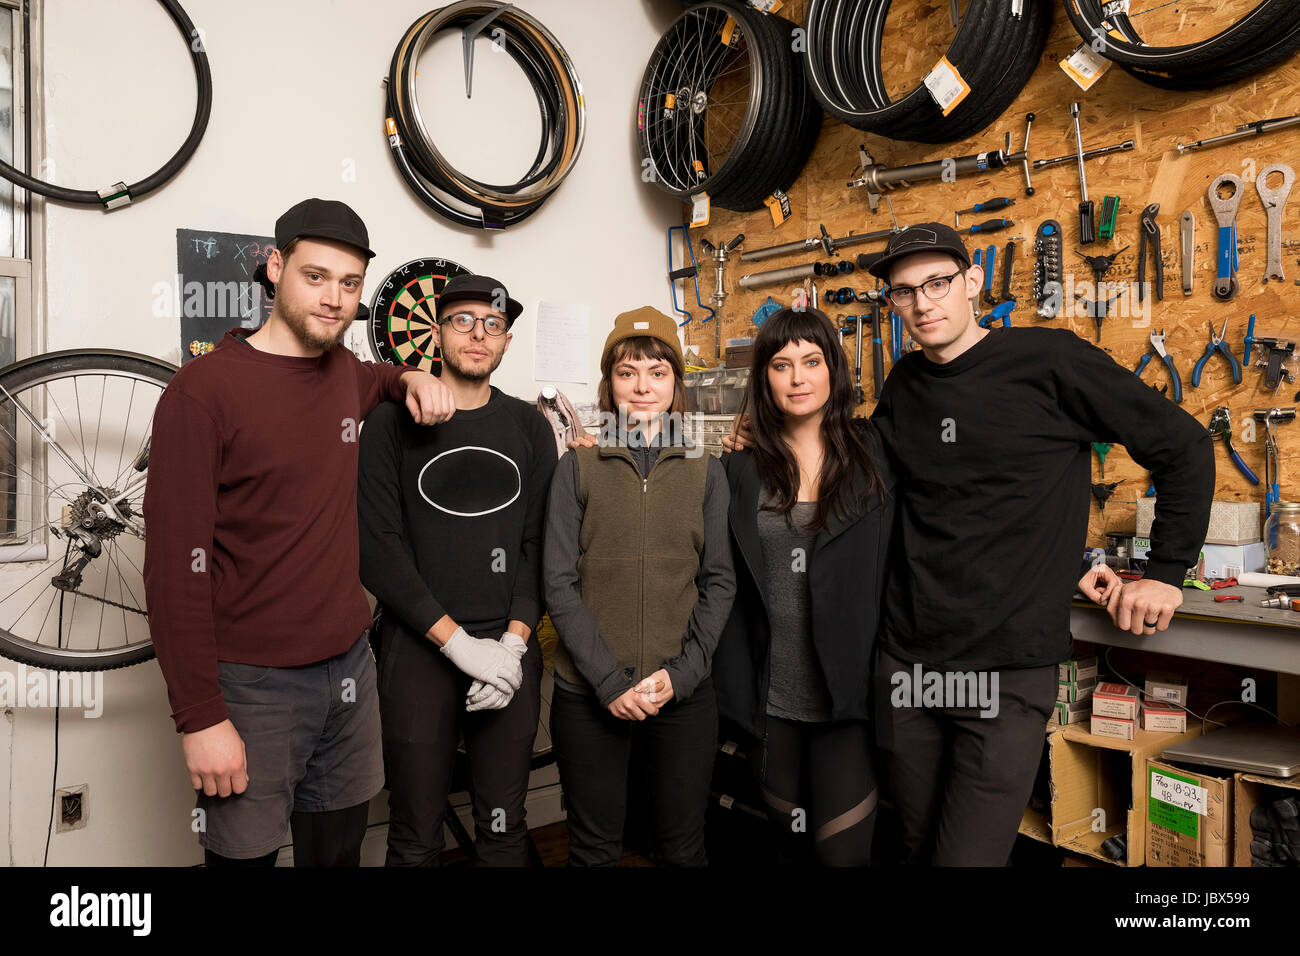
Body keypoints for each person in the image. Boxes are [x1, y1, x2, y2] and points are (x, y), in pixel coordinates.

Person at [727, 222, 1214, 865]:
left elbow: (1183, 446)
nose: (923, 303)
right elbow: (872, 477)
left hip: (1006, 668)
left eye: (937, 283)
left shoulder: (1051, 362)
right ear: (894, 306)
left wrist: (1164, 571)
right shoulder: (904, 386)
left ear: (974, 282)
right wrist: (760, 439)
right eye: (904, 293)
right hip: (907, 666)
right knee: (915, 842)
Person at [143, 198, 455, 867]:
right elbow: (173, 573)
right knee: (243, 861)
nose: (333, 298)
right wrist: (200, 716)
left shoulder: (343, 373)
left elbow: (376, 378)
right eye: (316, 277)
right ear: (275, 267)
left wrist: (410, 376)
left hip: (348, 671)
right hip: (251, 688)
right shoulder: (202, 393)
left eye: (349, 284)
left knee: (339, 857)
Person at [357, 274, 557, 866]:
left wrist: (513, 648)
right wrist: (458, 645)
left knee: (504, 827)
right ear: (438, 332)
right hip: (418, 650)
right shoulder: (391, 423)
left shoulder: (528, 427)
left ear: (507, 341)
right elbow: (378, 549)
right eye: (463, 321)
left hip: (507, 649)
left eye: (492, 324)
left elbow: (538, 546)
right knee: (416, 834)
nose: (478, 334)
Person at [543, 307, 736, 866]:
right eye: (628, 372)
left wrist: (681, 677)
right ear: (609, 384)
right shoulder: (576, 470)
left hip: (681, 695)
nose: (643, 386)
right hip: (590, 696)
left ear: (676, 382)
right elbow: (558, 584)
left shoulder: (706, 468)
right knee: (595, 850)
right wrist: (607, 681)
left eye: (657, 371)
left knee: (682, 848)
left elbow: (719, 582)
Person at [714, 306, 895, 866]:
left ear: (833, 370)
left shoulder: (875, 451)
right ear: (763, 377)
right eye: (781, 364)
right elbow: (717, 575)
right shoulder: (739, 466)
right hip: (771, 700)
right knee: (786, 848)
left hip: (848, 700)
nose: (797, 378)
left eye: (812, 361)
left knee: (841, 857)